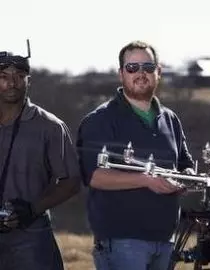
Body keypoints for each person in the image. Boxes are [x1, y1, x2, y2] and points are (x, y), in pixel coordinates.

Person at [77, 40, 194, 270]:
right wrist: (145, 180)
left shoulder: (170, 119)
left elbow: (184, 165)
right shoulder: (100, 120)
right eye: (132, 68)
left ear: (158, 72)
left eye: (148, 67)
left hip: (166, 240)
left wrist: (189, 177)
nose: (141, 73)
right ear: (121, 74)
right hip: (122, 241)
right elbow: (94, 176)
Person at [0, 47, 81, 270]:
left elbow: (71, 181)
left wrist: (32, 209)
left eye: (19, 76)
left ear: (29, 80)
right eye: (3, 77)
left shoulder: (50, 126)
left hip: (31, 239)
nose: (12, 83)